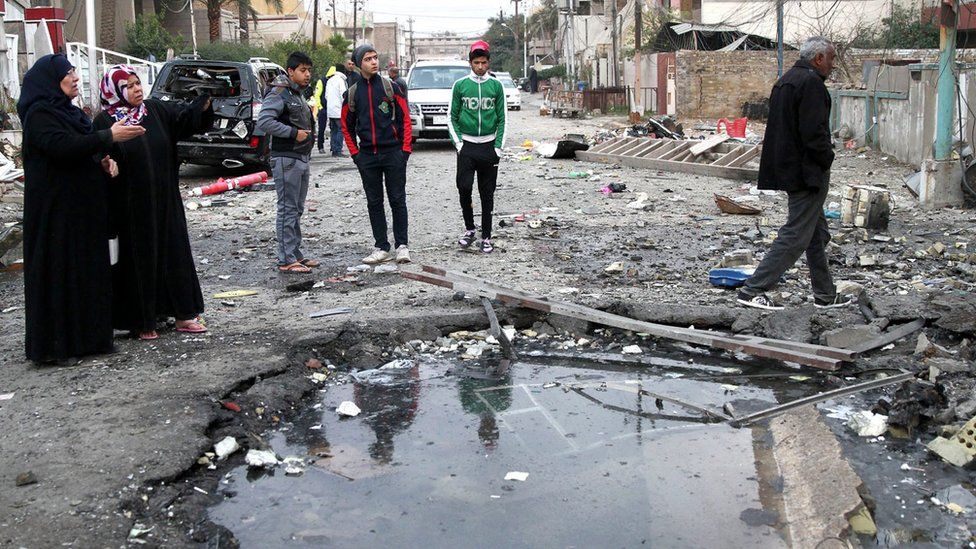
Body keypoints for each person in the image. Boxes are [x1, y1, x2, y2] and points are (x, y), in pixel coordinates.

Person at [18, 54, 145, 362]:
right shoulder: (39, 114)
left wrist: (102, 159)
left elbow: (82, 146)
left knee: (89, 272)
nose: (75, 78)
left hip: (82, 212)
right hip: (56, 213)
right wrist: (109, 136)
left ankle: (91, 339)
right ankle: (59, 347)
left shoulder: (70, 113)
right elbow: (60, 147)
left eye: (75, 71)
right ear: (51, 81)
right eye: (68, 73)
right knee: (61, 274)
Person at [92, 64, 213, 340]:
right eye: (129, 85)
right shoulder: (104, 123)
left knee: (174, 253)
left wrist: (202, 105)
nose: (137, 89)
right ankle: (143, 320)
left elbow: (184, 119)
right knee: (138, 259)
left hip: (165, 199)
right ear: (114, 91)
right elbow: (96, 155)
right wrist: (105, 162)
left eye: (138, 83)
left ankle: (184, 315)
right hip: (130, 207)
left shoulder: (154, 111)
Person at [737, 36, 851, 311]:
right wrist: (827, 159)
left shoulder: (786, 80)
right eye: (831, 58)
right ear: (818, 58)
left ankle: (825, 294)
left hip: (790, 169)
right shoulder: (811, 84)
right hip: (807, 172)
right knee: (798, 234)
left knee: (815, 234)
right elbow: (814, 134)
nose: (833, 65)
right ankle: (753, 289)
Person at [341, 43, 413, 265]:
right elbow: (346, 125)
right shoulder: (352, 93)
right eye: (368, 59)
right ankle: (381, 247)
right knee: (374, 202)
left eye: (375, 57)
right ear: (358, 64)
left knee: (397, 200)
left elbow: (406, 119)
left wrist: (405, 151)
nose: (373, 62)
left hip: (393, 153)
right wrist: (356, 155)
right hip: (368, 157)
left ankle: (402, 246)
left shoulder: (391, 88)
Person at [257, 51, 317, 274]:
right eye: (303, 70)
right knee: (287, 209)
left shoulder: (296, 93)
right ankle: (285, 259)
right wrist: (293, 133)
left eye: (309, 70)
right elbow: (264, 121)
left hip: (300, 157)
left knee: (296, 209)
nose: (307, 74)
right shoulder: (279, 93)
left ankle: (295, 254)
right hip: (286, 158)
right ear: (290, 71)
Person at [449, 40, 507, 254]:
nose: (480, 67)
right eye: (476, 62)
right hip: (467, 147)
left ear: (488, 63)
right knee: (464, 188)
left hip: (489, 147)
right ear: (470, 63)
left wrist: (498, 147)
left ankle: (487, 236)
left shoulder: (496, 85)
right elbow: (451, 117)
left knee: (487, 193)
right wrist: (459, 143)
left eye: (483, 62)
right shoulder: (460, 85)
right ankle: (469, 228)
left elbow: (503, 119)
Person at [325, 63, 348, 157]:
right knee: (340, 130)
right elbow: (343, 95)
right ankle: (338, 150)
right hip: (339, 110)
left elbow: (326, 96)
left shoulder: (329, 80)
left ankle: (334, 149)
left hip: (330, 110)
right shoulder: (340, 80)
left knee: (333, 130)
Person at [312, 65, 335, 154]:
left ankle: (334, 147)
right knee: (321, 128)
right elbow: (317, 95)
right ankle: (320, 146)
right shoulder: (322, 81)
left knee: (334, 128)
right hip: (324, 108)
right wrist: (320, 107)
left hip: (333, 108)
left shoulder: (336, 82)